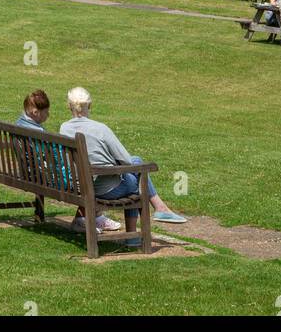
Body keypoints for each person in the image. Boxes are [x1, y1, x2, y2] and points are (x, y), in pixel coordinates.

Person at [60, 86, 187, 246]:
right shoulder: (100, 129)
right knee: (136, 170)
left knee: (135, 163)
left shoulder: (64, 128)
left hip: (80, 186)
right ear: (90, 106)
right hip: (104, 189)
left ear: (69, 106)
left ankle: (158, 210)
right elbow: (126, 161)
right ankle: (153, 215)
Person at [15, 89, 119, 232]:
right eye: (46, 112)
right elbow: (55, 158)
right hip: (44, 177)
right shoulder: (38, 134)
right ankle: (90, 218)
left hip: (30, 172)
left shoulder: (19, 124)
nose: (48, 115)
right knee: (89, 178)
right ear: (35, 112)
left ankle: (94, 216)